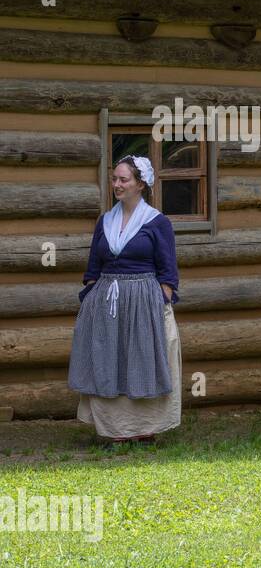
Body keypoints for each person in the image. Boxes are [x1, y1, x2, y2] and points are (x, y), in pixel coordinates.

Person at [68, 156, 181, 445]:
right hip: (107, 303)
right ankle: (114, 431)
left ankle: (144, 430)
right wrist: (90, 297)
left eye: (123, 180)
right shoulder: (105, 221)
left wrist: (160, 301)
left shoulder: (157, 222)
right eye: (115, 179)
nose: (117, 184)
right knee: (109, 363)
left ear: (140, 184)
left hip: (144, 303)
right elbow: (93, 267)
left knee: (142, 362)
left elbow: (168, 272)